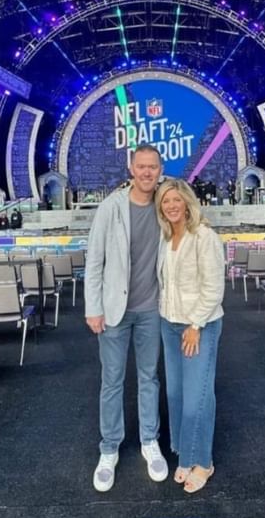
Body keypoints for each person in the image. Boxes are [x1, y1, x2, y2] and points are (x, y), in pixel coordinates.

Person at [85, 145, 167, 493]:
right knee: (112, 381)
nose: (147, 172)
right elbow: (95, 262)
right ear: (131, 168)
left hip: (152, 310)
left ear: (160, 170)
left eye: (153, 167)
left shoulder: (167, 204)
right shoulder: (111, 207)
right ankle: (109, 449)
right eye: (141, 166)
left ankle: (150, 441)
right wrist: (93, 308)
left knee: (149, 378)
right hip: (114, 312)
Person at [155, 178, 225, 494]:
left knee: (197, 396)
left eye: (175, 199)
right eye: (165, 201)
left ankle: (204, 461)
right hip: (169, 324)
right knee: (176, 395)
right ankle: (186, 452)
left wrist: (195, 324)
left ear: (187, 202)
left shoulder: (203, 237)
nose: (171, 205)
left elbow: (213, 288)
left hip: (199, 326)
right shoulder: (165, 237)